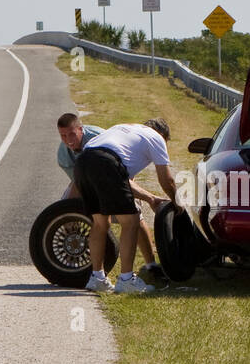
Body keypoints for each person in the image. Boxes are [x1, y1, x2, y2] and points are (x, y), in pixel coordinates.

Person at [73, 118, 179, 294]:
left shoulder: (123, 128)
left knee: (100, 223)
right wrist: (177, 201)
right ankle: (126, 280)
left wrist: (151, 198)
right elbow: (166, 180)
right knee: (131, 222)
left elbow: (122, 180)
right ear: (164, 136)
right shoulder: (156, 137)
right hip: (106, 163)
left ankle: (97, 278)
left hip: (83, 162)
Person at [56, 113, 162, 281]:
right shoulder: (63, 156)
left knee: (134, 216)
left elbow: (122, 175)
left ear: (80, 130)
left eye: (72, 134)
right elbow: (78, 183)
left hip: (114, 175)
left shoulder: (99, 136)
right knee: (68, 211)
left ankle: (151, 265)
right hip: (86, 177)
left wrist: (147, 197)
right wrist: (69, 214)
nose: (68, 140)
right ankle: (74, 264)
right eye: (63, 136)